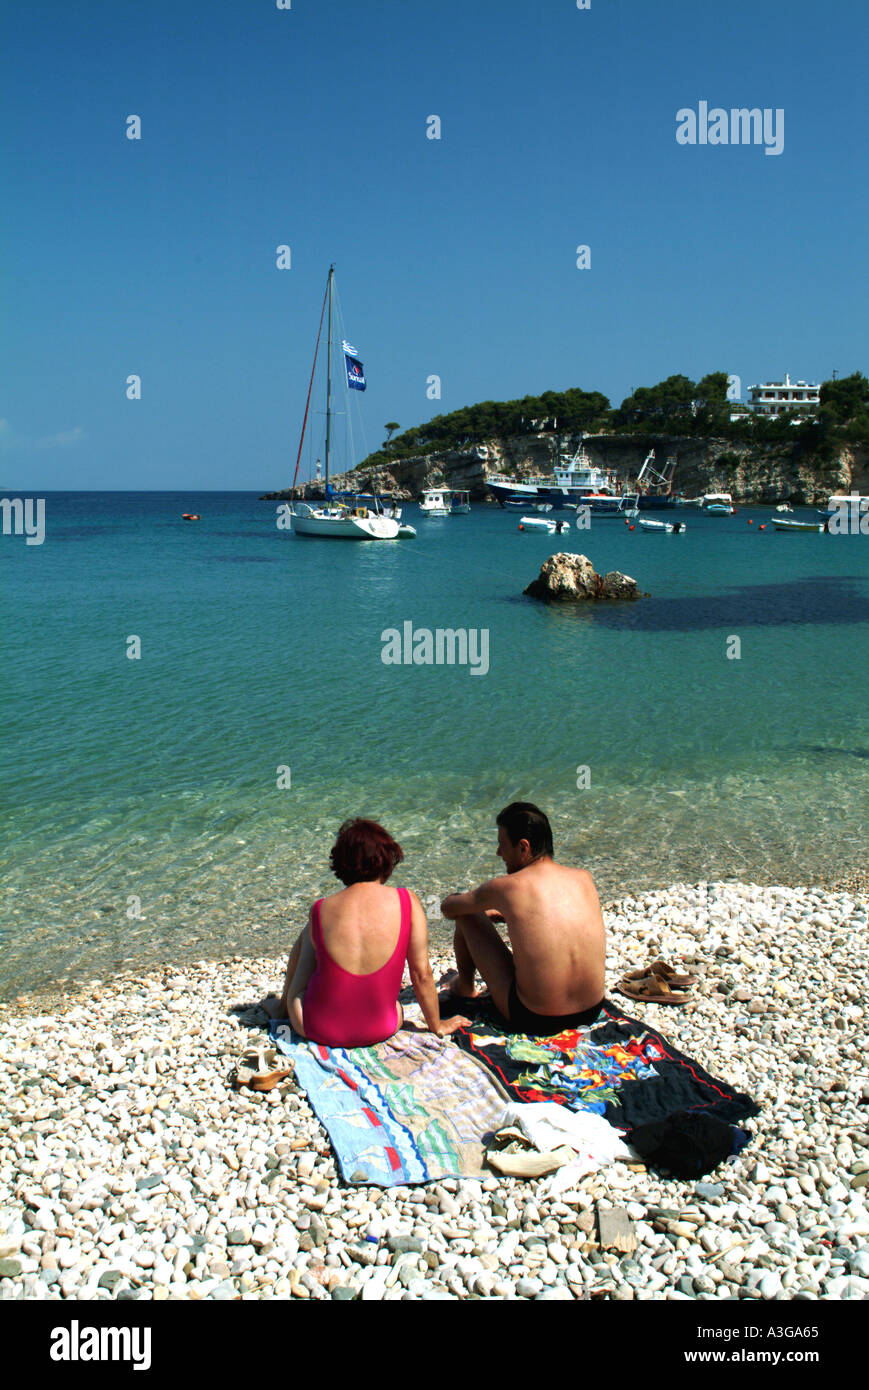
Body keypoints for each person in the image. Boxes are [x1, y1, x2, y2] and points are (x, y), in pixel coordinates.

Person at [261, 818, 467, 1046]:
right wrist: (436, 1025)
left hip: (316, 1027)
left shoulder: (322, 908)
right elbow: (421, 974)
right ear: (387, 859)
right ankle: (283, 1006)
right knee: (394, 1001)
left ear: (340, 863)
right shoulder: (407, 901)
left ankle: (281, 1008)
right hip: (382, 1027)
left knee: (312, 929)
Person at [439, 801, 606, 1033]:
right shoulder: (583, 878)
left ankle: (465, 987)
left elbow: (449, 908)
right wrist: (515, 916)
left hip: (536, 1018)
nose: (499, 853)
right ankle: (464, 985)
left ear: (523, 847)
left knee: (465, 911)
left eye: (502, 845)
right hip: (592, 1010)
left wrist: (481, 910)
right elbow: (556, 920)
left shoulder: (507, 888)